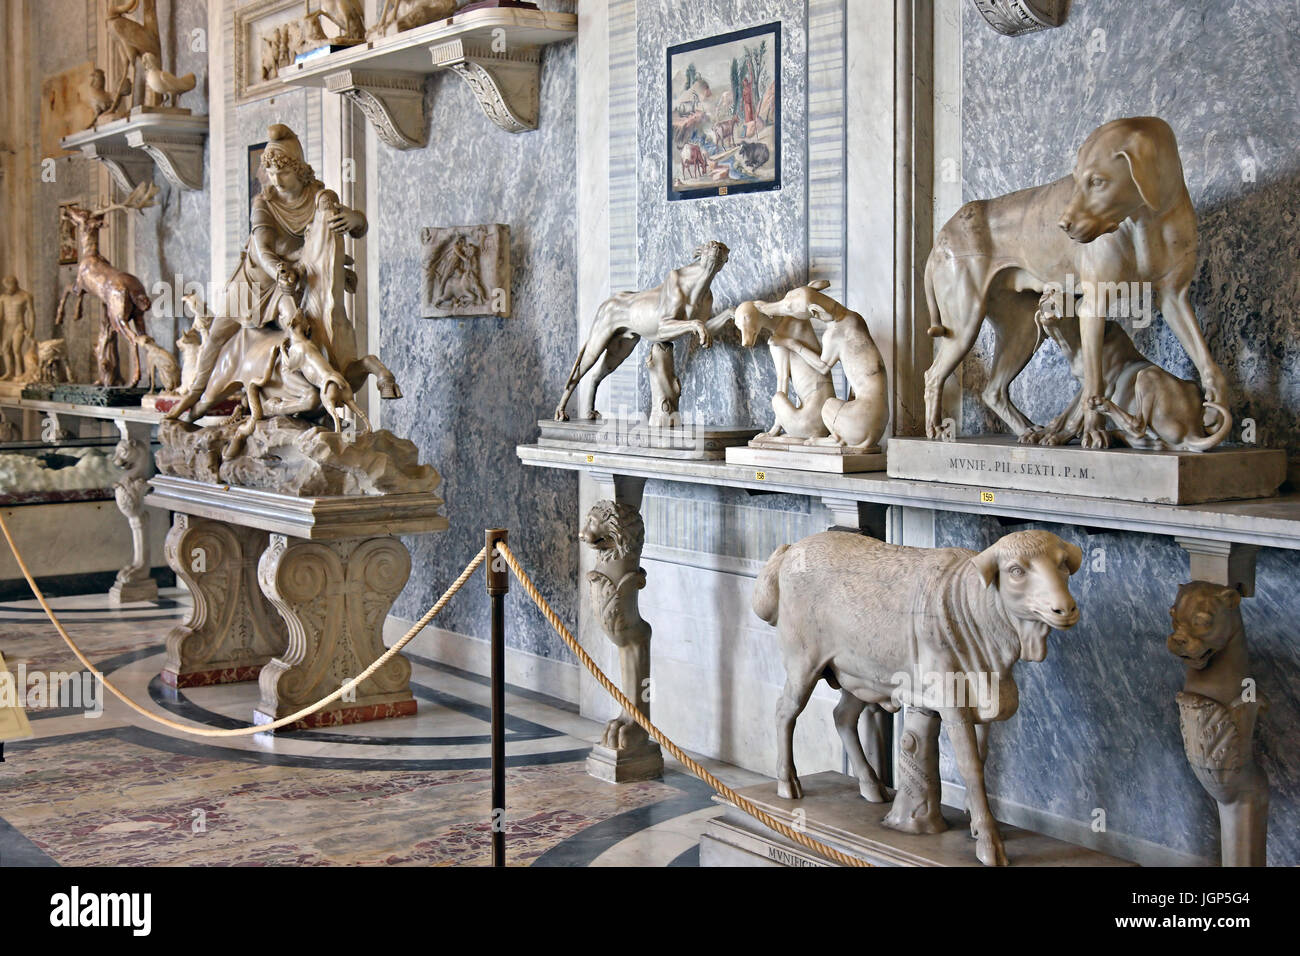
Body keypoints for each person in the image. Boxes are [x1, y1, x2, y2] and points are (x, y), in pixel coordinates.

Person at [166, 124, 366, 420]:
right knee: (217, 336)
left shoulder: (318, 196)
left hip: (296, 283)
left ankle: (300, 403)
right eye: (270, 173)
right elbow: (262, 248)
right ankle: (194, 394)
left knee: (302, 339)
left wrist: (355, 219)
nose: (275, 180)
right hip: (255, 280)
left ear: (299, 169)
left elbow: (353, 227)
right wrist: (280, 270)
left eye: (282, 172)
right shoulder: (264, 202)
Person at [0, 276, 35, 381]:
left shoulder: (25, 296)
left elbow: (31, 314)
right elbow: (1, 315)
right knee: (5, 349)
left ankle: (19, 373)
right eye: (6, 287)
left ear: (15, 284)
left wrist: (31, 329)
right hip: (7, 325)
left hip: (19, 325)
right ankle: (9, 372)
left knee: (16, 349)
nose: (8, 290)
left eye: (9, 287)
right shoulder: (3, 297)